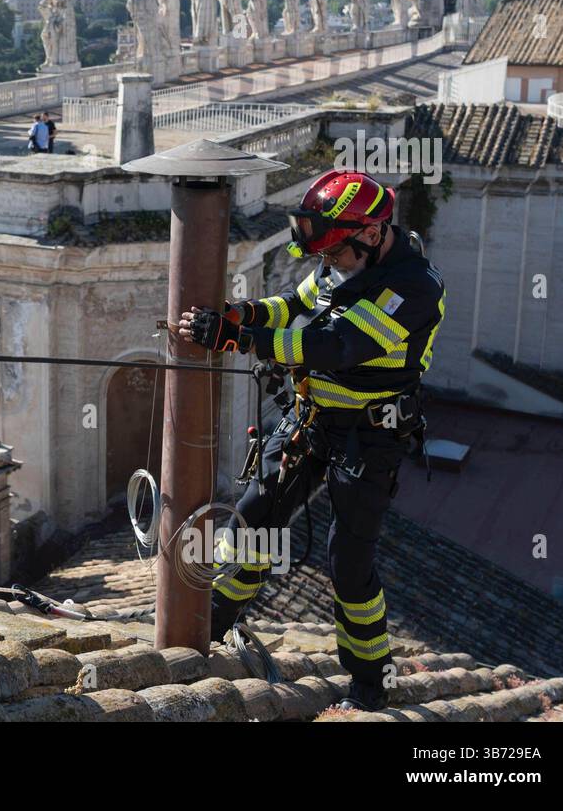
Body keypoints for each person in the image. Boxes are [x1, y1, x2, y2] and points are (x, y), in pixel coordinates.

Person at [178, 169, 445, 712]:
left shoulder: (415, 288)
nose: (327, 265)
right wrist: (244, 314)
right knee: (251, 519)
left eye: (335, 255)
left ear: (370, 235)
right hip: (311, 420)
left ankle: (370, 684)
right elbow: (295, 306)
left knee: (347, 565)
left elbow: (335, 345)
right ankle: (211, 623)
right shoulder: (340, 257)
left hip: (371, 437)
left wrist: (241, 340)